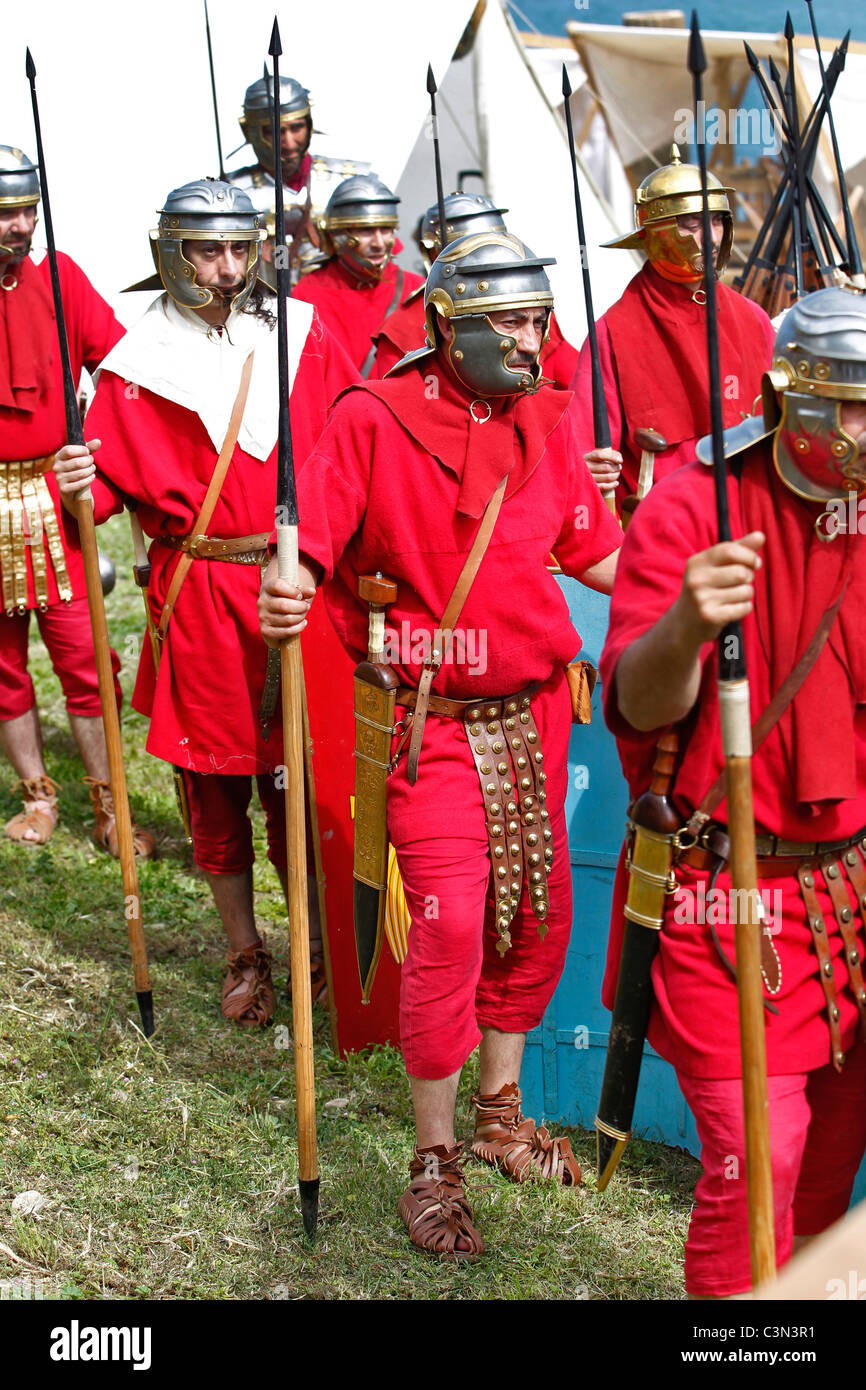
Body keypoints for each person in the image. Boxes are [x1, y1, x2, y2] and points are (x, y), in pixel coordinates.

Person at [260, 230, 622, 1256]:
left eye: (536, 319)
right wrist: (287, 582)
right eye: (505, 321)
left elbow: (591, 548)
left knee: (535, 921)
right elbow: (313, 545)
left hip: (533, 714)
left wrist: (687, 577)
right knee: (450, 927)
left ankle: (500, 1113)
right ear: (448, 326)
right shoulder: (370, 418)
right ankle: (432, 1156)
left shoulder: (547, 422)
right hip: (430, 721)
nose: (527, 339)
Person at [600, 285, 866, 1298]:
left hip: (846, 894)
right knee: (756, 1161)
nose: (856, 432)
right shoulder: (694, 501)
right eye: (839, 406)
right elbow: (633, 699)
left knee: (827, 1170)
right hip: (727, 896)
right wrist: (684, 622)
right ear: (782, 396)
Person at [54, 179, 357, 1027]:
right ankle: (243, 951)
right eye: (206, 251)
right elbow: (103, 497)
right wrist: (79, 482)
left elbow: (343, 457)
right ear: (172, 255)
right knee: (216, 788)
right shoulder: (137, 361)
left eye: (237, 249)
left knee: (302, 780)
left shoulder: (302, 334)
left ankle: (316, 946)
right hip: (200, 596)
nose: (226, 270)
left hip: (296, 586)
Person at [0, 145, 153, 856]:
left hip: (57, 504)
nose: (20, 226)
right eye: (6, 214)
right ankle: (38, 798)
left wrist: (91, 450)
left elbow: (122, 372)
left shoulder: (61, 279)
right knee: (2, 666)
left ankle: (110, 804)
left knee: (88, 657)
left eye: (27, 211)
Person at [572, 145, 774, 508]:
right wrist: (586, 466)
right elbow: (584, 449)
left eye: (715, 221)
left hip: (753, 511)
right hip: (666, 526)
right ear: (654, 233)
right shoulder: (612, 333)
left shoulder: (753, 319)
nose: (710, 238)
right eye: (691, 224)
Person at [370, 191, 580, 388]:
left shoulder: (527, 307)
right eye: (511, 323)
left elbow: (570, 375)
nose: (531, 344)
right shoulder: (403, 325)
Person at [228, 73, 370, 286]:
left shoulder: (354, 183)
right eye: (274, 131)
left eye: (297, 128)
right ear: (249, 131)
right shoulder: (229, 193)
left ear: (309, 123)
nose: (289, 142)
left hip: (341, 306)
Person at [292, 175, 424, 376]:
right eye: (366, 230)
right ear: (337, 234)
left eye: (386, 229)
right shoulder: (306, 295)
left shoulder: (416, 290)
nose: (379, 243)